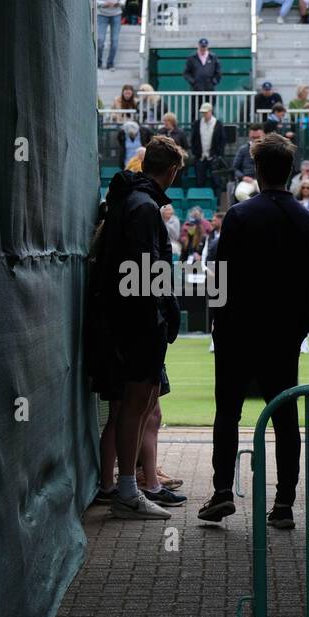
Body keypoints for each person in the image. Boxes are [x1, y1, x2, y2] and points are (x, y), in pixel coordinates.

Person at [199, 135, 309, 530]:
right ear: (290, 171)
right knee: (285, 419)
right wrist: (298, 330)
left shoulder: (239, 216)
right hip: (283, 334)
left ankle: (222, 491)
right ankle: (283, 504)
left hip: (238, 330)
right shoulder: (308, 221)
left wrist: (218, 323)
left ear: (257, 172)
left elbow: (221, 274)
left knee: (228, 413)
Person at [86, 135, 185, 519]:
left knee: (133, 406)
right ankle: (127, 491)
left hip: (126, 322)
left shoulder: (131, 201)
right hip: (136, 326)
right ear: (172, 171)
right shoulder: (143, 208)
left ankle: (128, 487)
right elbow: (146, 273)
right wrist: (160, 316)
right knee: (133, 405)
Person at [190, 101, 225, 193]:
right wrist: (195, 153)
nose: (204, 114)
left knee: (216, 181)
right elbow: (193, 139)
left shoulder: (218, 124)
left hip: (214, 157)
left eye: (206, 112)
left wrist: (218, 154)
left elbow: (222, 141)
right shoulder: (196, 124)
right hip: (200, 157)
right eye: (202, 112)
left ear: (211, 111)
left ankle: (217, 204)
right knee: (199, 181)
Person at [96, 0, 126, 69]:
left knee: (114, 41)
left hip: (116, 14)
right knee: (100, 40)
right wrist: (104, 3)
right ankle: (98, 62)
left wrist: (120, 3)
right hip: (102, 14)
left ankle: (110, 63)